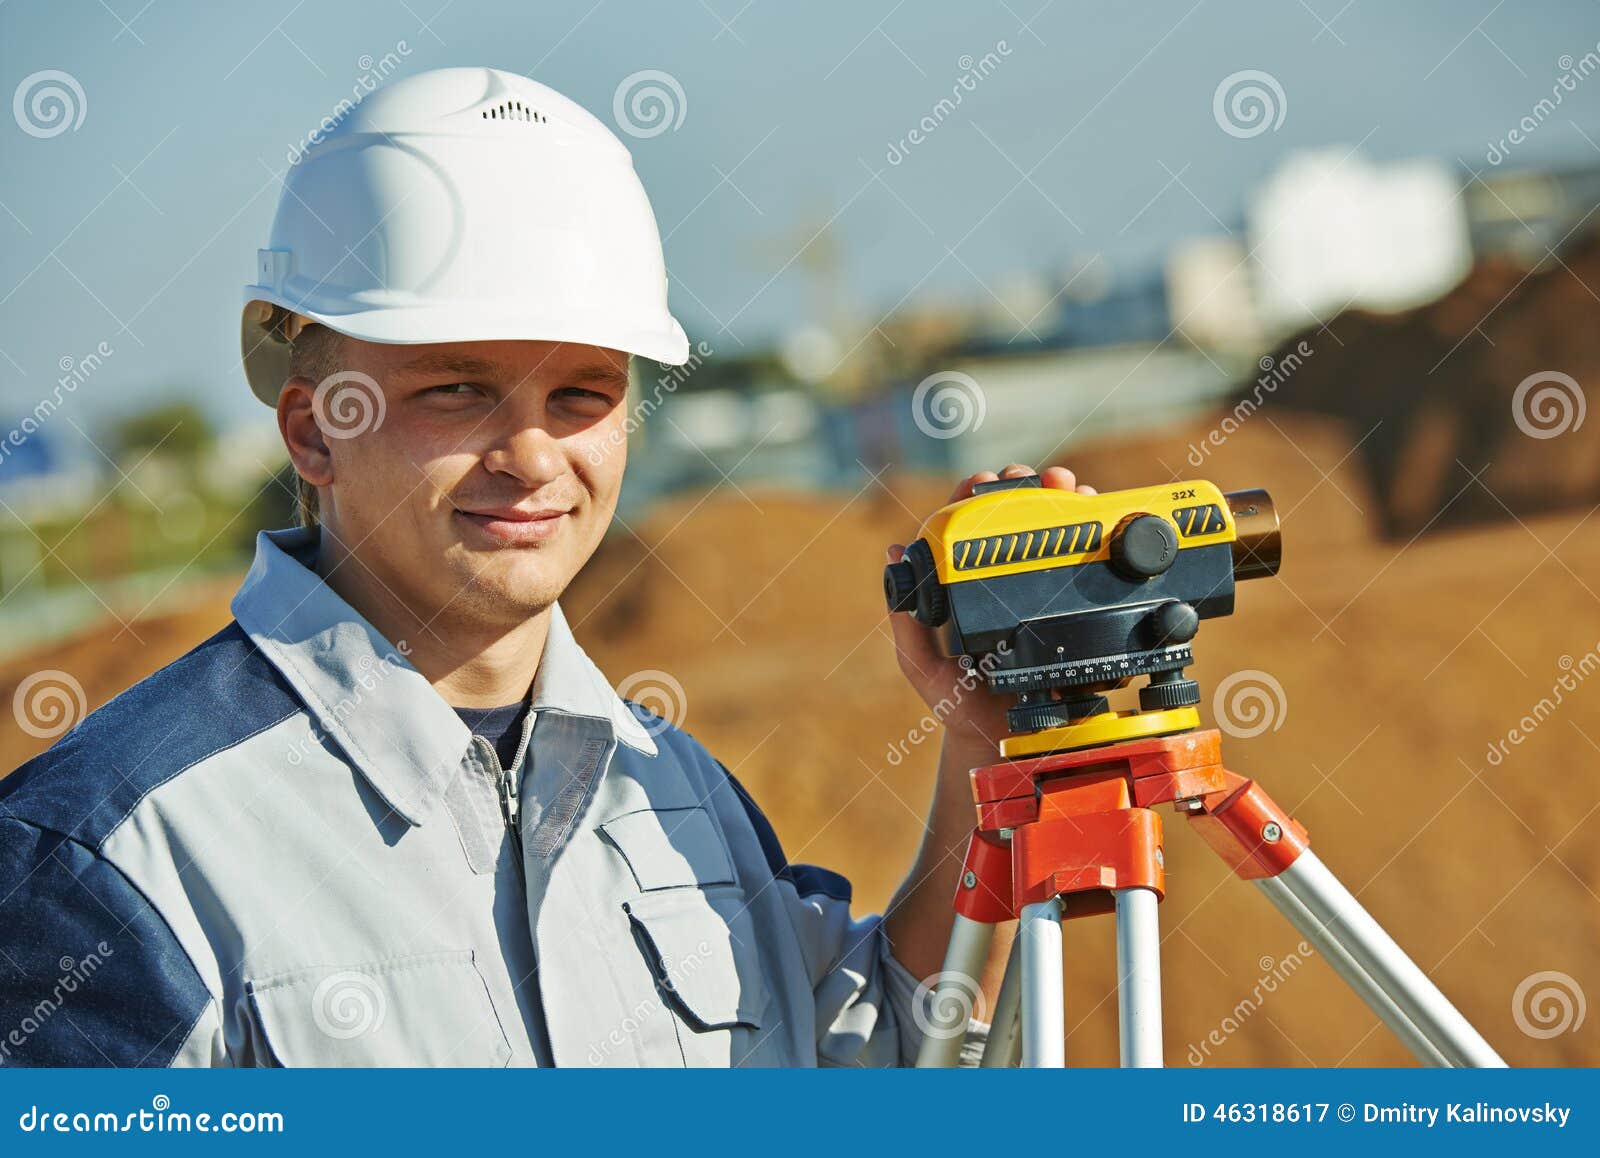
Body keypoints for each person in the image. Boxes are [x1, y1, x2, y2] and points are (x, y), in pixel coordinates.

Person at [0, 67, 1092, 1067]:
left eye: (581, 394)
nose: (533, 457)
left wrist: (979, 760)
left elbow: (874, 1073)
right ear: (313, 429)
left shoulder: (677, 794)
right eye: (457, 390)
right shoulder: (112, 852)